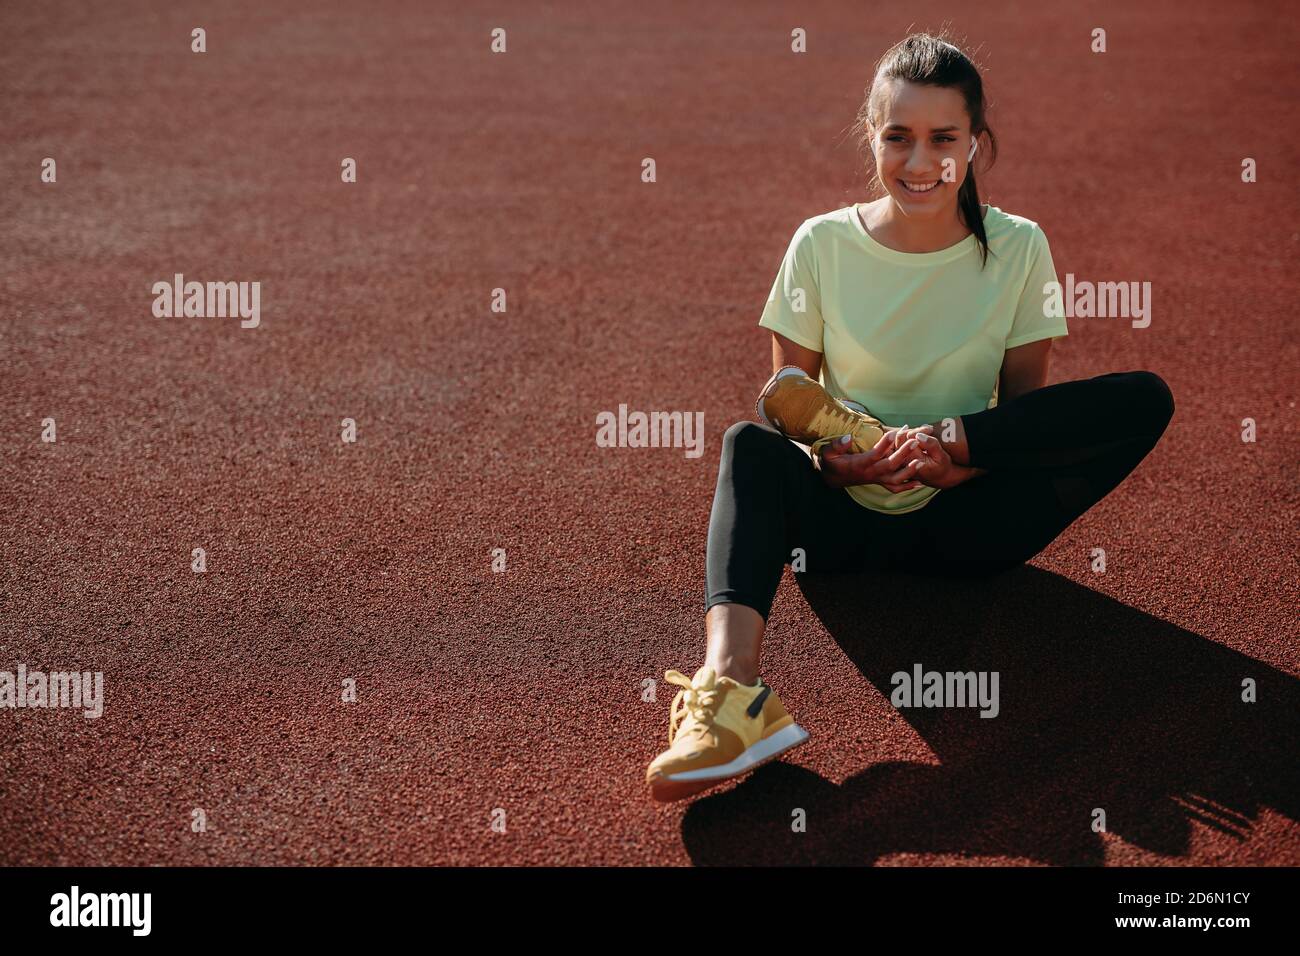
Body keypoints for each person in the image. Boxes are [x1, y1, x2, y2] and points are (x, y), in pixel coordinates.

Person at [646, 32, 1174, 803]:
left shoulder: (1021, 248)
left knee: (1143, 398)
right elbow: (791, 401)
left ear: (976, 144)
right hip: (837, 531)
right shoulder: (820, 245)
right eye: (898, 137)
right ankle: (734, 692)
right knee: (748, 445)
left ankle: (945, 439)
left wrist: (962, 455)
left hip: (966, 526)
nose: (919, 162)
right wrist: (838, 461)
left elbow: (1030, 418)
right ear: (872, 136)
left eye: (943, 139)